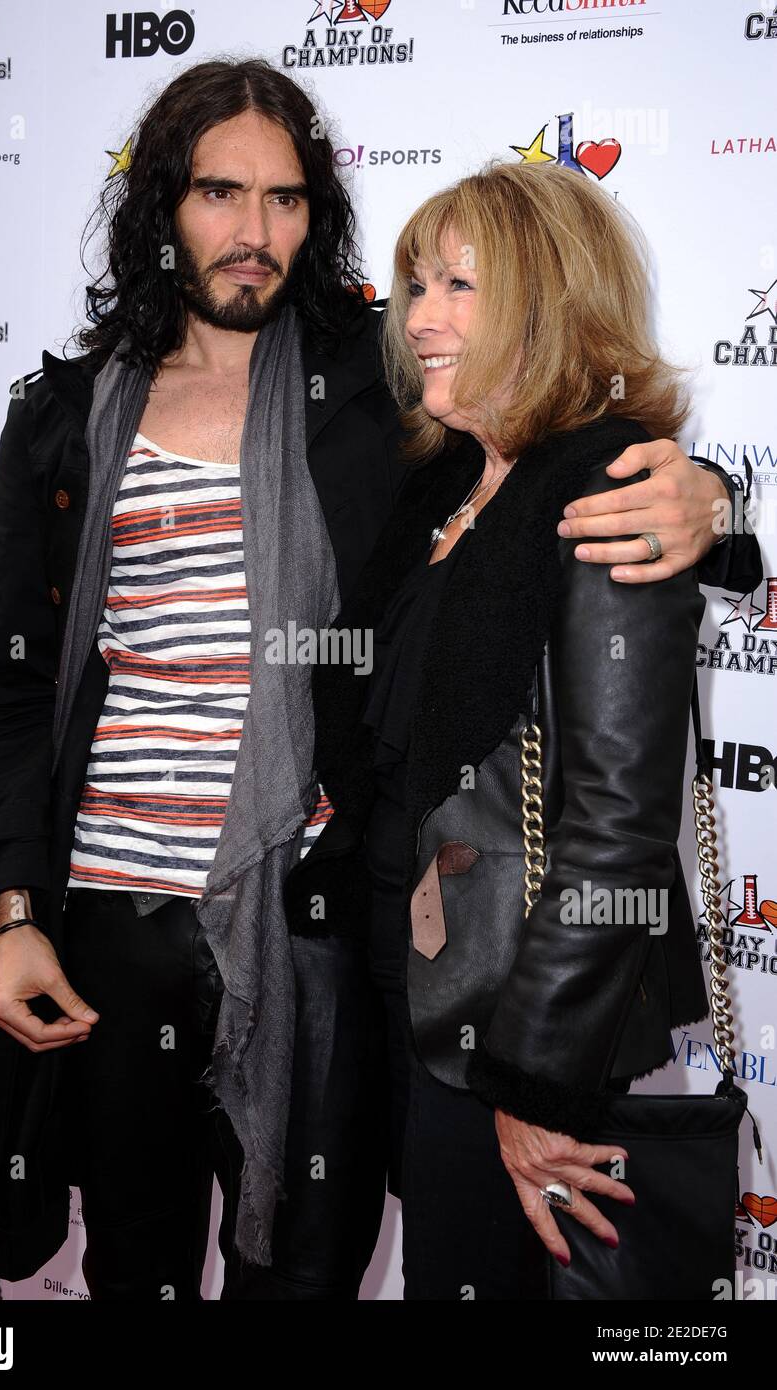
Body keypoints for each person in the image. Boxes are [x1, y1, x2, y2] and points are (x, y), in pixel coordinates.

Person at [0, 59, 758, 1303]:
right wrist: (15, 911)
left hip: (311, 933)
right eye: (218, 193)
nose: (255, 233)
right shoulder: (59, 416)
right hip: (110, 921)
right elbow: (8, 689)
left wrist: (711, 501)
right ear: (159, 206)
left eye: (287, 199)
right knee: (132, 1260)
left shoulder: (375, 385)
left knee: (304, 1268)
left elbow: (557, 427)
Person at [292, 159, 764, 1300]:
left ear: (547, 304)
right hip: (408, 996)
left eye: (462, 284)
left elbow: (616, 824)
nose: (420, 316)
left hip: (510, 1027)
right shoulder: (444, 484)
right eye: (416, 283)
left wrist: (532, 1086)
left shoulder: (608, 490)